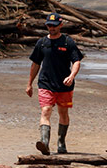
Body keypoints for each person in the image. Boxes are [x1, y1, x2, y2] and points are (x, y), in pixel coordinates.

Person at [26, 13, 83, 155]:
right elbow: (35, 64)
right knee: (45, 111)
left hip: (65, 85)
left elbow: (76, 61)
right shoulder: (42, 43)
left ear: (60, 25)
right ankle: (44, 143)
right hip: (45, 83)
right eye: (49, 25)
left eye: (54, 26)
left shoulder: (67, 42)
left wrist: (72, 75)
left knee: (63, 113)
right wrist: (29, 84)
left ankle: (61, 141)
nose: (51, 28)